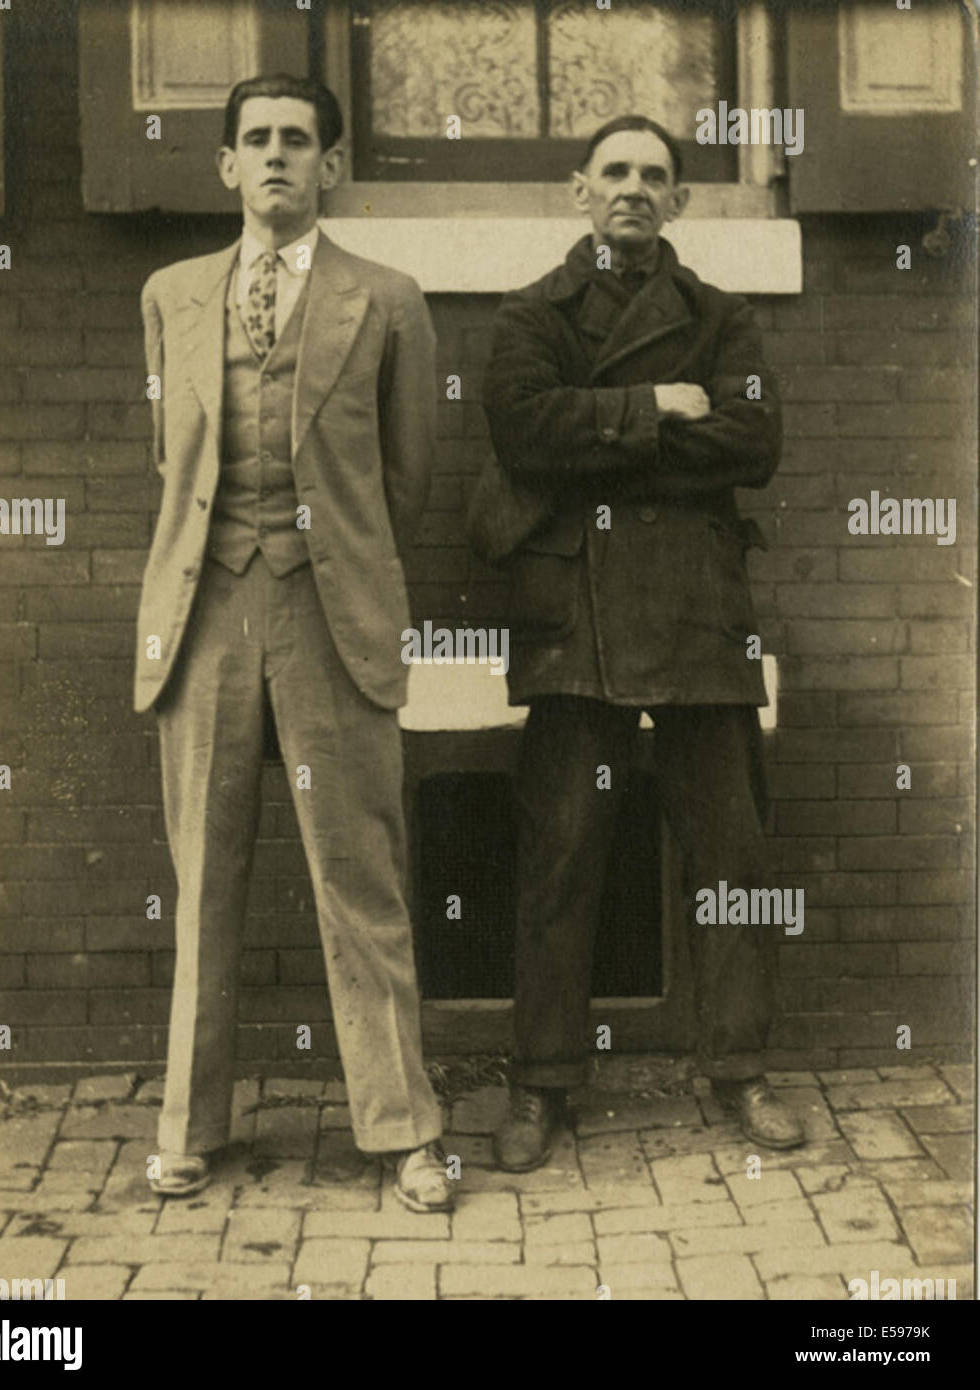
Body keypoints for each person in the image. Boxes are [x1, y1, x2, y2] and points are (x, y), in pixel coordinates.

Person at [135, 72, 451, 1211]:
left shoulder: (390, 298)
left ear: (330, 166)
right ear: (226, 165)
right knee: (203, 878)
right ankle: (187, 1128)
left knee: (361, 879)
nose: (276, 156)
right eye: (255, 140)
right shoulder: (169, 293)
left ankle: (404, 1129)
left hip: (332, 617)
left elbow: (406, 478)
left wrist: (333, 563)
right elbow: (172, 457)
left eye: (298, 140)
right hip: (208, 609)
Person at [470, 115, 805, 1172]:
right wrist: (658, 406)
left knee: (731, 856)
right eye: (611, 171)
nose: (631, 188)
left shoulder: (720, 313)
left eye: (652, 175)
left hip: (699, 609)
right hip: (577, 613)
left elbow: (752, 443)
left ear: (679, 201)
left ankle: (738, 1069)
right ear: (579, 192)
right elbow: (522, 432)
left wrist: (602, 438)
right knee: (562, 850)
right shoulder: (531, 313)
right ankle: (541, 1083)